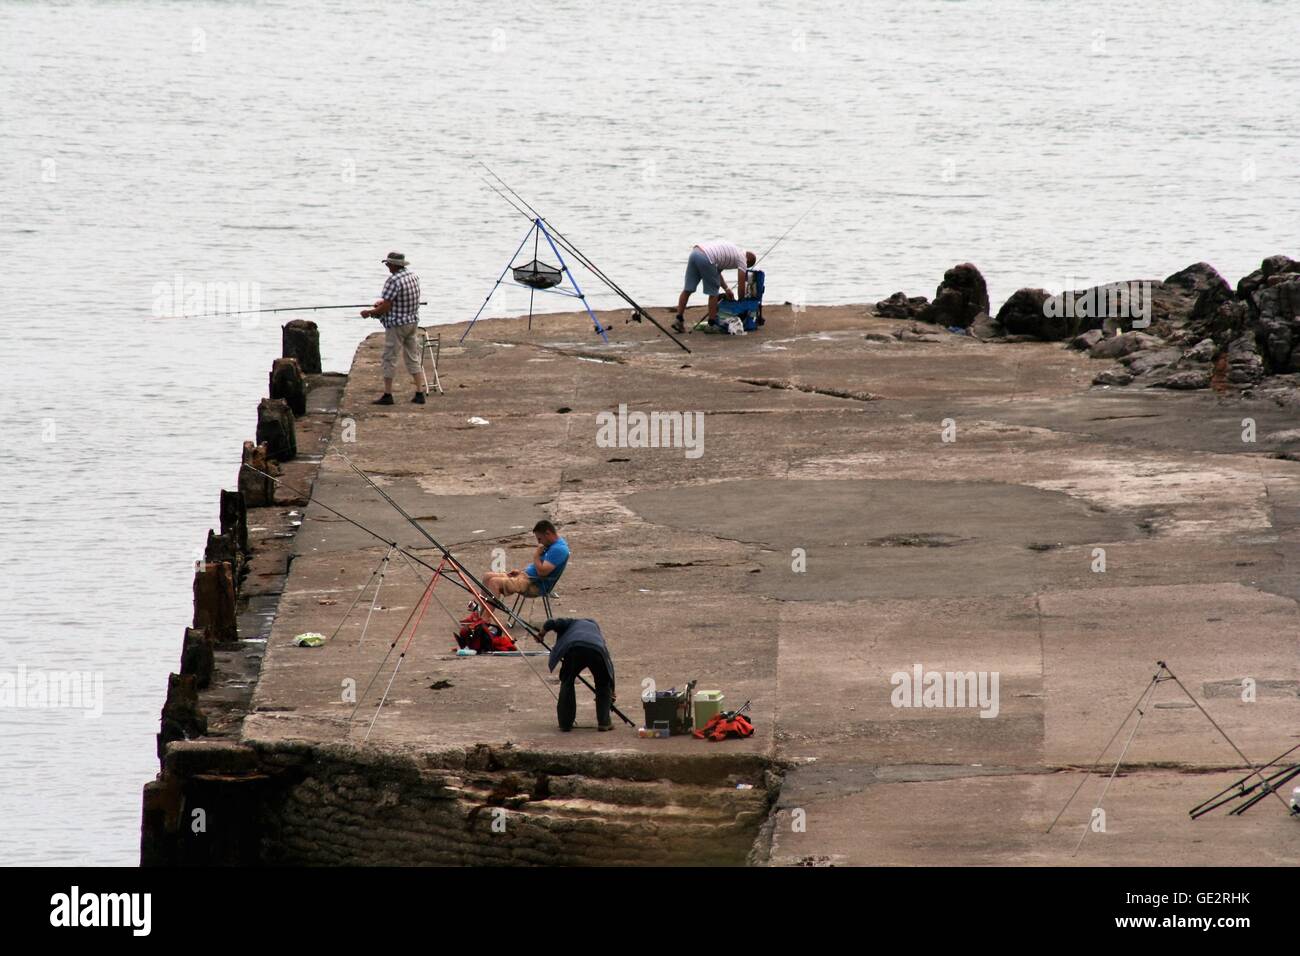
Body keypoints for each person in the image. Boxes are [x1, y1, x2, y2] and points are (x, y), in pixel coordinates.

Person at [360, 252, 428, 405]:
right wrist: (382, 303)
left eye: (388, 264)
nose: (387, 266)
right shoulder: (413, 276)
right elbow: (394, 301)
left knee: (389, 358)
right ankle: (419, 392)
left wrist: (369, 312)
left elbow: (385, 308)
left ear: (393, 265)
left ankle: (388, 394)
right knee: (413, 356)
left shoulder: (393, 281)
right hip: (412, 322)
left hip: (397, 325)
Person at [538, 617, 615, 732]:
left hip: (574, 648)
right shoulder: (597, 634)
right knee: (603, 684)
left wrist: (541, 635)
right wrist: (612, 691)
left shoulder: (570, 623)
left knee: (567, 681)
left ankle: (565, 723)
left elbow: (550, 623)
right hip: (597, 650)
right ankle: (604, 722)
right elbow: (609, 667)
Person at [672, 241, 757, 333]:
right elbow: (741, 284)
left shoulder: (733, 252)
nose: (744, 267)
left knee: (688, 289)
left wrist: (727, 289)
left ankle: (679, 319)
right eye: (747, 266)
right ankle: (711, 325)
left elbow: (716, 273)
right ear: (748, 261)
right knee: (713, 293)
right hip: (707, 257)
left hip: (695, 252)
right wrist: (742, 302)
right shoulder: (742, 259)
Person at [483, 520, 569, 600]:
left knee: (494, 582)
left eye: (539, 539)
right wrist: (521, 572)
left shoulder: (558, 549)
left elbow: (542, 572)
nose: (539, 542)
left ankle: (485, 616)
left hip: (534, 584)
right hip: (526, 577)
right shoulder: (551, 545)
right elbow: (537, 568)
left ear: (547, 533)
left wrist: (536, 555)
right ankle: (478, 613)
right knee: (487, 577)